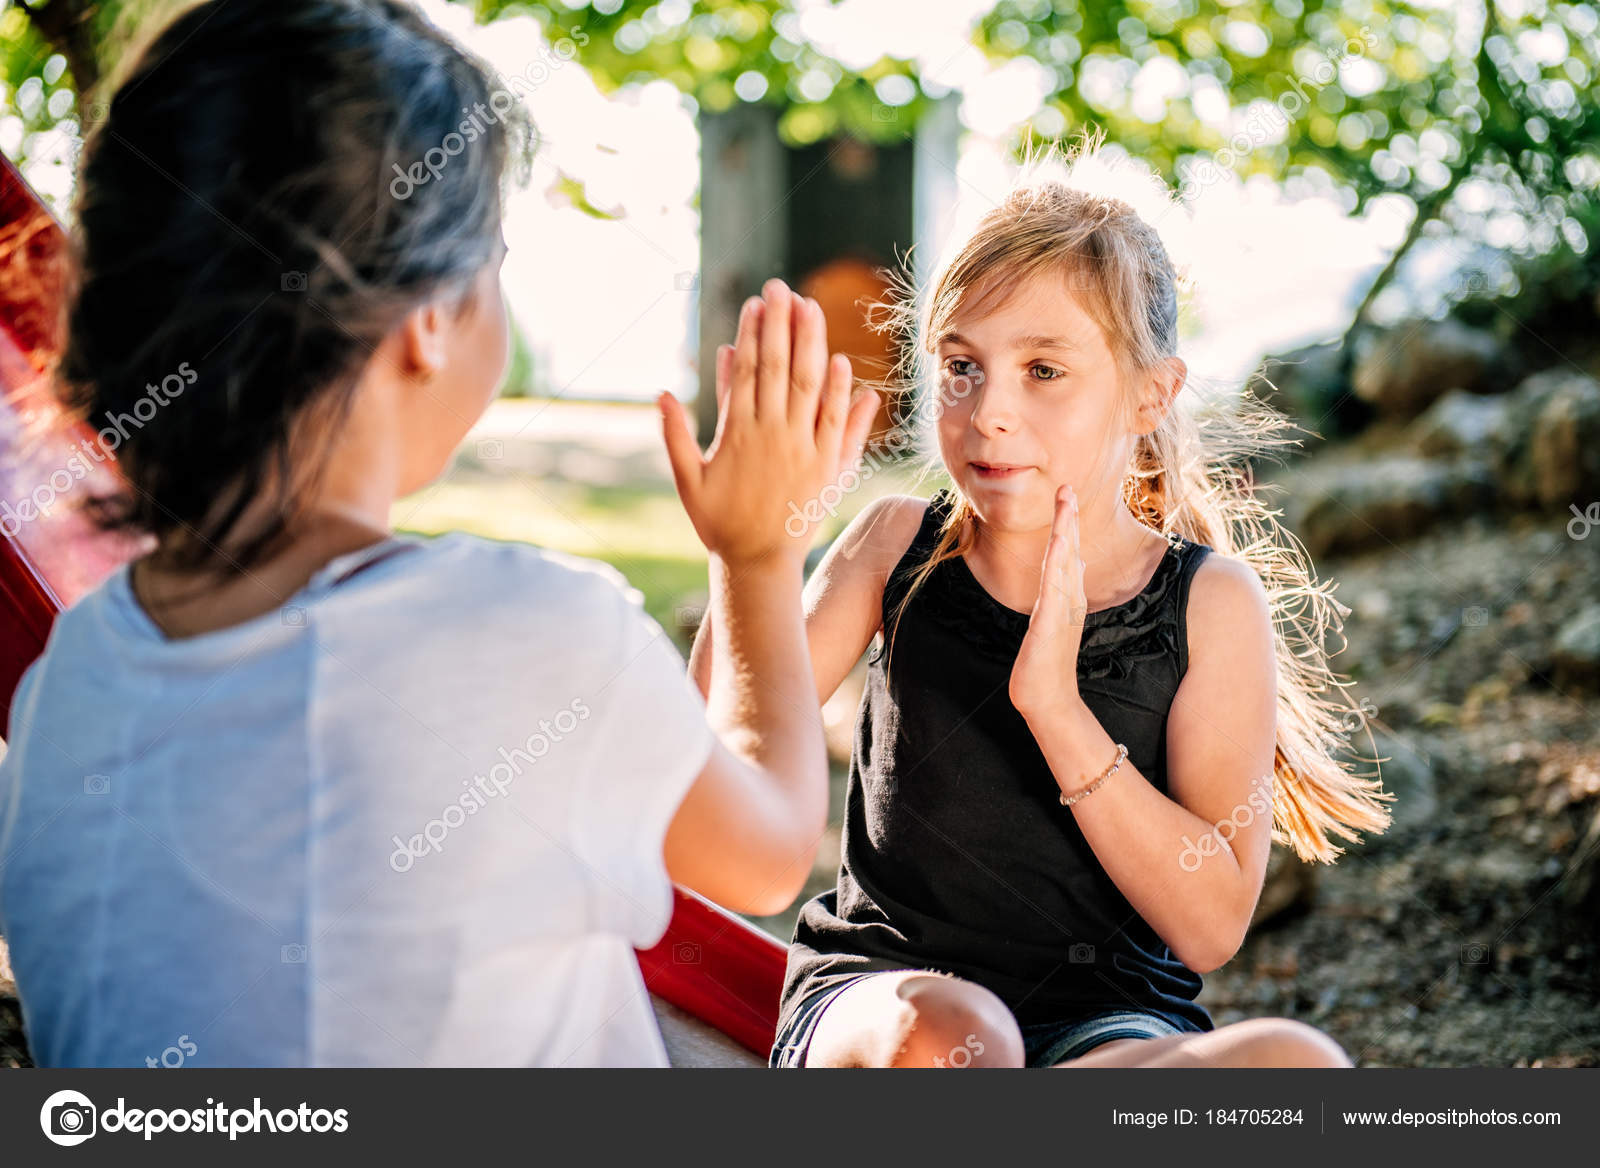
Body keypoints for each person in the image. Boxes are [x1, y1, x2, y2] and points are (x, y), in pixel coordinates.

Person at [0, 0, 877, 1067]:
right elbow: (769, 852)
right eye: (494, 257)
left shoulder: (64, 687)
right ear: (426, 318)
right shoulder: (526, 634)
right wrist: (756, 554)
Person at [691, 135, 1393, 1068]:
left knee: (1299, 1064)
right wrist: (749, 555)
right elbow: (712, 760)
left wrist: (1055, 708)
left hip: (1102, 1028)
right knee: (961, 1041)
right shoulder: (894, 546)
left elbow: (1213, 923)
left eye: (1044, 370)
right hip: (884, 1003)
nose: (989, 411)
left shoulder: (1208, 606)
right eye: (962, 365)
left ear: (1150, 396)